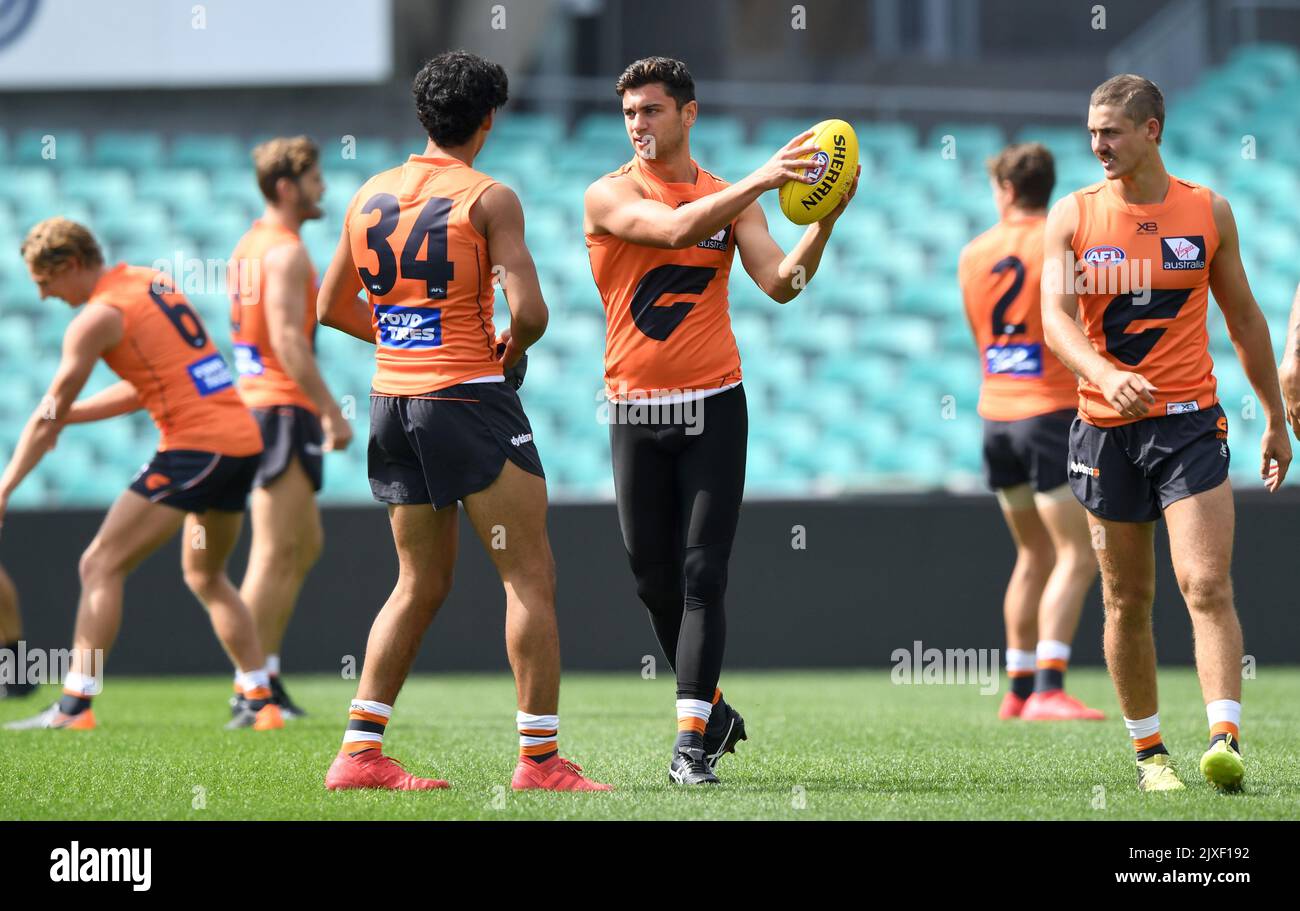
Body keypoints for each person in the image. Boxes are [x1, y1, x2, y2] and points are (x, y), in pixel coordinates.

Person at [316, 51, 609, 792]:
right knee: (529, 575)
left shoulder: (370, 193)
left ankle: (359, 754)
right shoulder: (489, 197)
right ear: (488, 120)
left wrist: (409, 337)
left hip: (392, 403)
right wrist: (514, 347)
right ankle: (540, 763)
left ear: (423, 115)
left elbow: (329, 306)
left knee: (417, 581)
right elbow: (531, 312)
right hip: (469, 398)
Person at [583, 56, 859, 784]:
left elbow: (781, 284)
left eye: (651, 110)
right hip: (635, 408)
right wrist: (761, 180)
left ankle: (690, 746)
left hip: (714, 406)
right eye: (629, 112)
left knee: (703, 573)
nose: (638, 124)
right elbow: (676, 229)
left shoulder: (731, 201)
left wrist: (824, 223)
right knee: (653, 579)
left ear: (689, 113)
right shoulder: (609, 193)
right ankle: (713, 708)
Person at [1040, 75, 1291, 792]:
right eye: (1093, 131)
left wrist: (1275, 417)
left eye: (1112, 131)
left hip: (1189, 426)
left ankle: (1224, 740)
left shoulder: (1208, 211)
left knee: (1205, 583)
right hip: (1104, 429)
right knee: (1127, 599)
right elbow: (1055, 318)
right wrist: (1103, 372)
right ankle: (1151, 755)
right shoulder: (1072, 215)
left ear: (1151, 130)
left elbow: (1245, 320)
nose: (1098, 144)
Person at [0, 218, 282, 732]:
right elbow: (143, 388)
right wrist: (69, 416)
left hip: (195, 449)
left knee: (99, 564)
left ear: (70, 265)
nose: (43, 296)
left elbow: (45, 416)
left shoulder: (97, 318)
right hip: (239, 444)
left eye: (44, 282)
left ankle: (74, 708)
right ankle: (260, 700)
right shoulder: (151, 281)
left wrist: (5, 488)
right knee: (207, 575)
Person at [958, 143, 1102, 721]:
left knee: (1032, 552)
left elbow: (981, 334)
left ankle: (1018, 690)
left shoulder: (974, 253)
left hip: (996, 415)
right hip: (1049, 415)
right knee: (1078, 553)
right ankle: (1048, 687)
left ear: (1008, 189)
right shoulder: (1061, 245)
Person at [227, 136, 353, 720]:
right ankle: (250, 689)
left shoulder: (253, 244)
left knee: (303, 546)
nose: (322, 188)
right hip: (279, 408)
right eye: (314, 179)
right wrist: (330, 410)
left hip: (268, 406)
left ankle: (265, 677)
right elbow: (286, 341)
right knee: (276, 551)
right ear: (286, 187)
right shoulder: (285, 252)